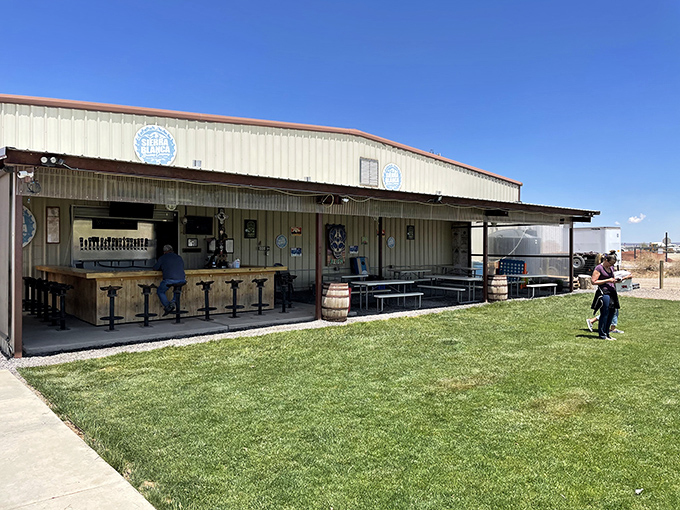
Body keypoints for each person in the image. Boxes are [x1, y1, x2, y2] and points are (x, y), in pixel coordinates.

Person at [589, 253, 622, 340]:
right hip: (604, 293)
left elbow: (612, 279)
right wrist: (607, 280)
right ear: (606, 260)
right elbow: (593, 281)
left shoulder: (610, 268)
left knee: (612, 313)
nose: (612, 265)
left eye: (613, 264)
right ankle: (602, 334)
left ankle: (607, 334)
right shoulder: (599, 268)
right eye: (611, 263)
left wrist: (616, 281)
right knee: (605, 313)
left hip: (612, 292)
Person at [153, 244, 186, 316]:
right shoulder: (179, 257)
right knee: (177, 290)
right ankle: (173, 302)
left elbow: (155, 268)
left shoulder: (162, 258)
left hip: (169, 279)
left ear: (164, 251)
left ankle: (168, 306)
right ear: (172, 250)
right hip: (182, 279)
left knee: (160, 291)